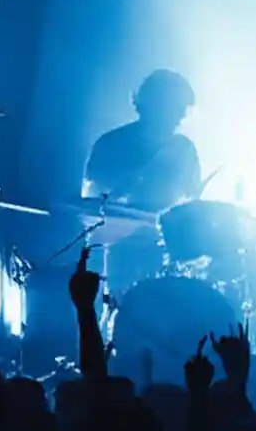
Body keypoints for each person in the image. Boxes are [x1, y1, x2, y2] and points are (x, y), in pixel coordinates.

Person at [81, 69, 202, 290]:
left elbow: (193, 201)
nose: (179, 118)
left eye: (181, 111)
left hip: (169, 248)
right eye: (174, 109)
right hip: (120, 246)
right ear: (154, 105)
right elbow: (91, 202)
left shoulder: (183, 149)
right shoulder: (111, 144)